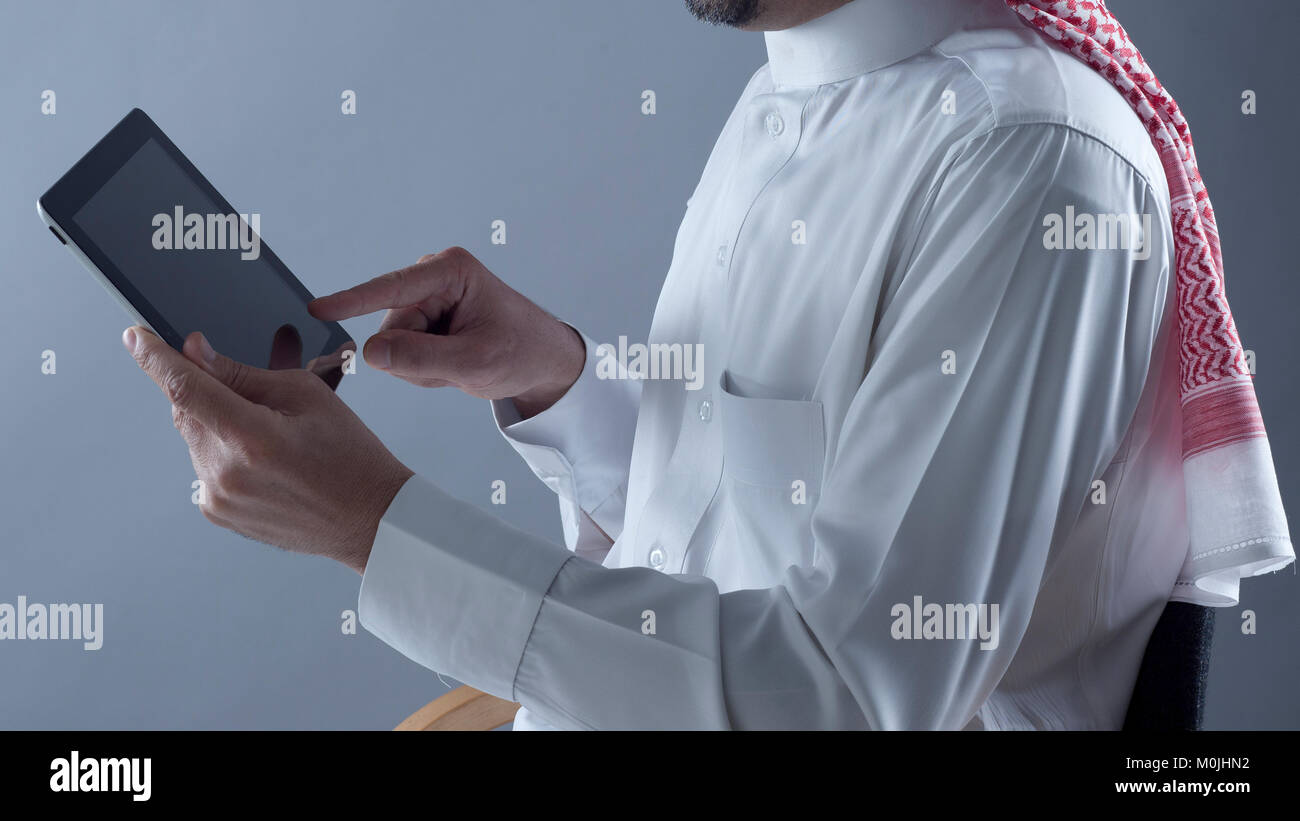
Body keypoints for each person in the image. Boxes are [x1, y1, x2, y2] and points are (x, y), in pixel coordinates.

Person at [123, 0, 1292, 729]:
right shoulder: (787, 85)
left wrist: (376, 528)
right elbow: (750, 521)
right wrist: (560, 386)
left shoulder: (1034, 171)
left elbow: (849, 699)